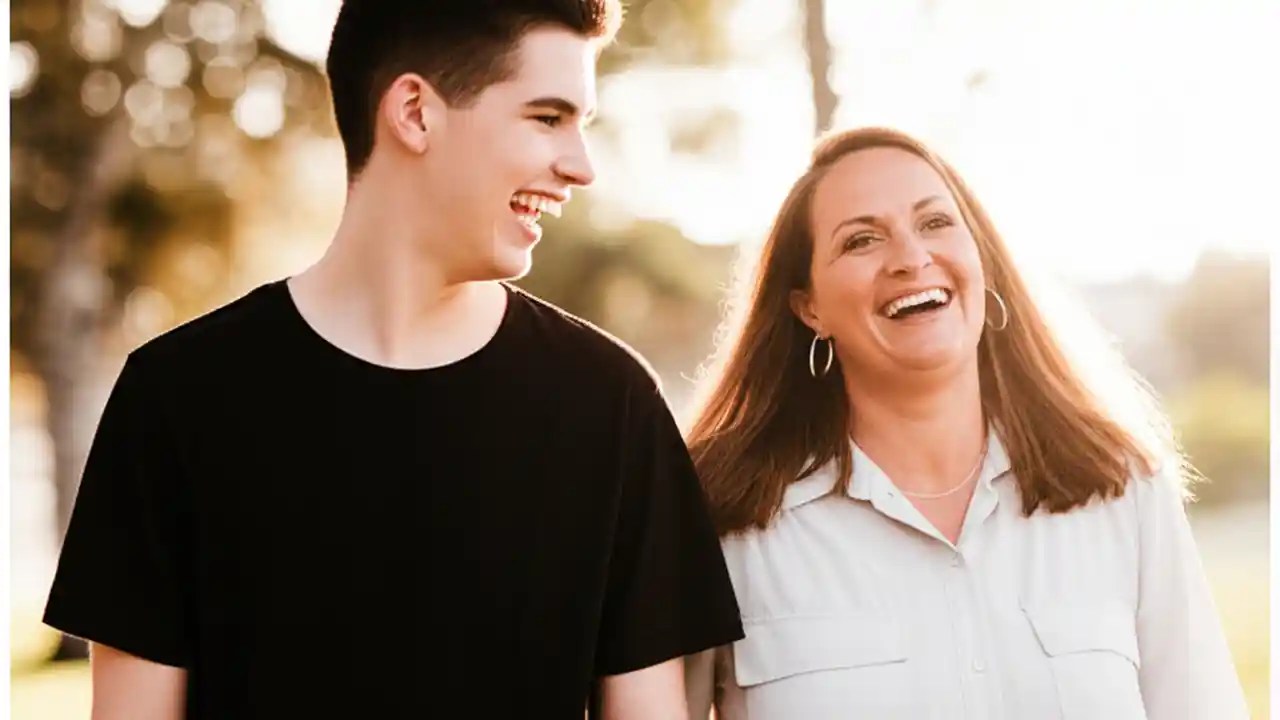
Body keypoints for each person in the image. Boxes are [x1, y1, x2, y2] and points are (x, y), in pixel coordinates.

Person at [43, 2, 743, 717]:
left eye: (580, 125)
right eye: (547, 117)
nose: (580, 166)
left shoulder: (612, 405)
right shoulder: (174, 400)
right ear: (414, 112)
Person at [682, 126, 1247, 719]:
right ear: (809, 307)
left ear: (983, 263)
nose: (910, 258)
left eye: (934, 224)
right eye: (862, 240)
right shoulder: (724, 519)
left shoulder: (1121, 488)